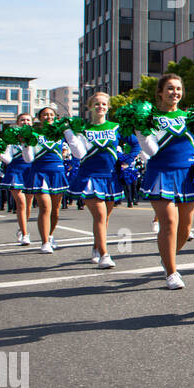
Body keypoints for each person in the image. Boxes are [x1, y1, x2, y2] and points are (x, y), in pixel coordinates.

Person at [138, 73, 194, 288]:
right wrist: (142, 131)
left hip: (187, 175)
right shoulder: (149, 118)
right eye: (170, 88)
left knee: (185, 228)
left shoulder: (192, 117)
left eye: (178, 89)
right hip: (161, 173)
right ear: (160, 92)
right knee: (169, 224)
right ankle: (172, 272)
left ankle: (167, 257)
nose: (175, 92)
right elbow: (151, 150)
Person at [67, 92, 136, 268]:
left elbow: (135, 144)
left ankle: (96, 246)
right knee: (100, 216)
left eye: (104, 104)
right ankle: (105, 255)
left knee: (104, 219)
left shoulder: (116, 127)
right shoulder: (81, 129)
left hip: (111, 177)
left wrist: (126, 161)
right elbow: (74, 150)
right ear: (89, 107)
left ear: (108, 107)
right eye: (96, 104)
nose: (100, 107)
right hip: (90, 177)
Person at [23, 105, 69, 253]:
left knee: (55, 210)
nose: (48, 117)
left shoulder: (61, 132)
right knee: (45, 207)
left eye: (51, 114)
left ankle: (50, 235)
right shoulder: (33, 133)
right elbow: (29, 158)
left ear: (55, 117)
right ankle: (44, 242)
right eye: (45, 115)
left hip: (57, 172)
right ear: (39, 117)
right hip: (39, 171)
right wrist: (25, 143)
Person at [0, 115, 33, 244]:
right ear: (17, 123)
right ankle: (25, 234)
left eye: (28, 120)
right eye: (22, 120)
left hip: (30, 171)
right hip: (16, 171)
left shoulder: (35, 136)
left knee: (28, 204)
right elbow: (8, 159)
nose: (25, 122)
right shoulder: (11, 139)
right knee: (21, 203)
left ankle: (21, 228)